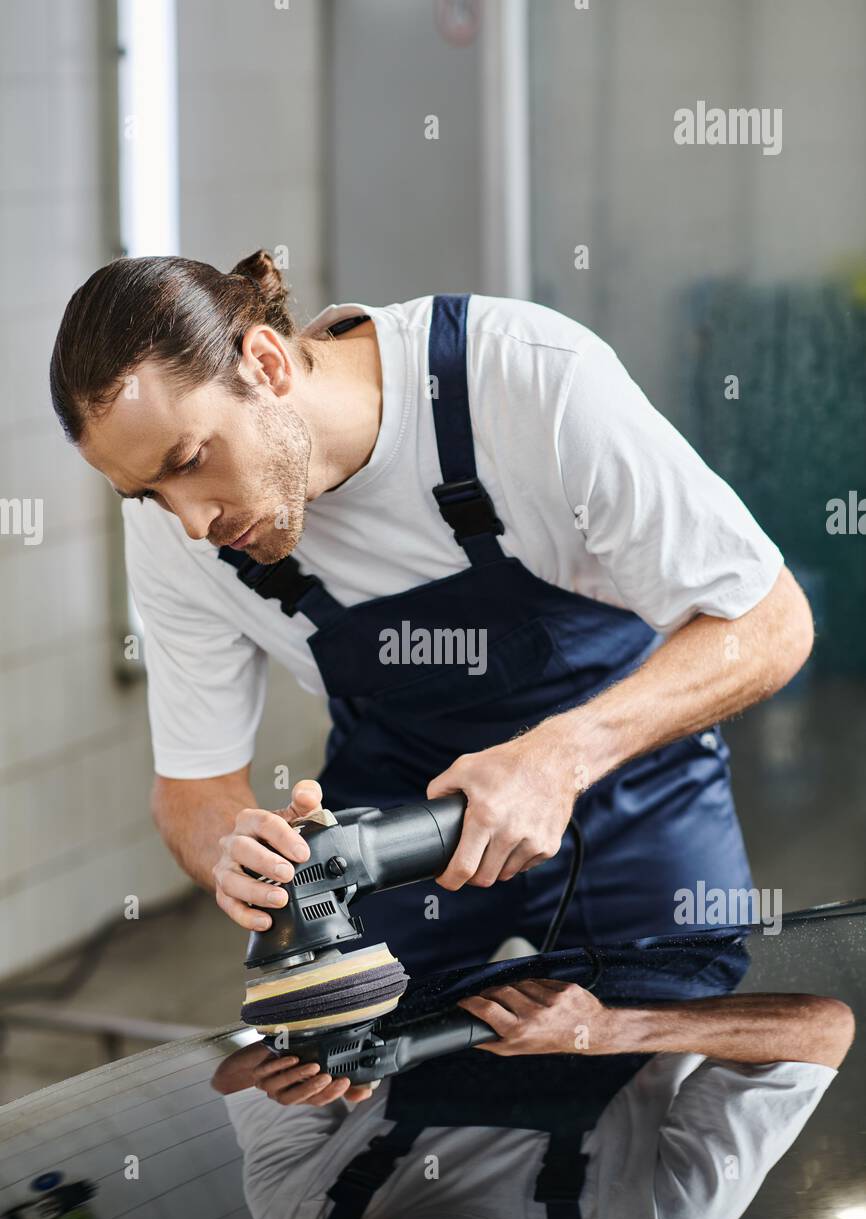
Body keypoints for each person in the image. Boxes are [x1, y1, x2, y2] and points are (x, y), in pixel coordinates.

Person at [50, 254, 814, 971]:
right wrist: (230, 849)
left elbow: (771, 620)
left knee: (686, 1058)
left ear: (268, 365)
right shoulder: (175, 531)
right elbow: (192, 786)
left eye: (188, 462)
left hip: (629, 790)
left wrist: (560, 757)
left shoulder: (525, 376)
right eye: (147, 492)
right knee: (352, 1083)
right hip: (395, 826)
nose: (188, 522)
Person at [214, 974, 854, 1219]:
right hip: (646, 920)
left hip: (434, 912)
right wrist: (603, 1032)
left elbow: (234, 1069)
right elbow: (819, 1031)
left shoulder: (297, 1210)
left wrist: (295, 1069)